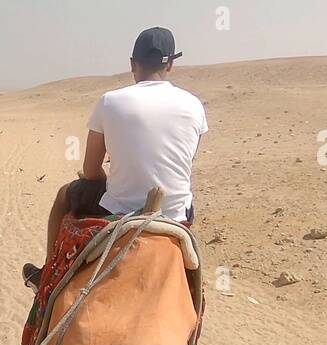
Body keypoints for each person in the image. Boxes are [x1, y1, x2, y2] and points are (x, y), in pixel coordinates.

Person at [26, 27, 208, 290]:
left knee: (64, 195)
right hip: (175, 212)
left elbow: (91, 170)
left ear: (133, 64)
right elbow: (187, 160)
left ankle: (46, 276)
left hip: (119, 210)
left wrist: (105, 178)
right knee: (188, 205)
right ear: (170, 65)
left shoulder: (110, 101)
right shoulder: (193, 104)